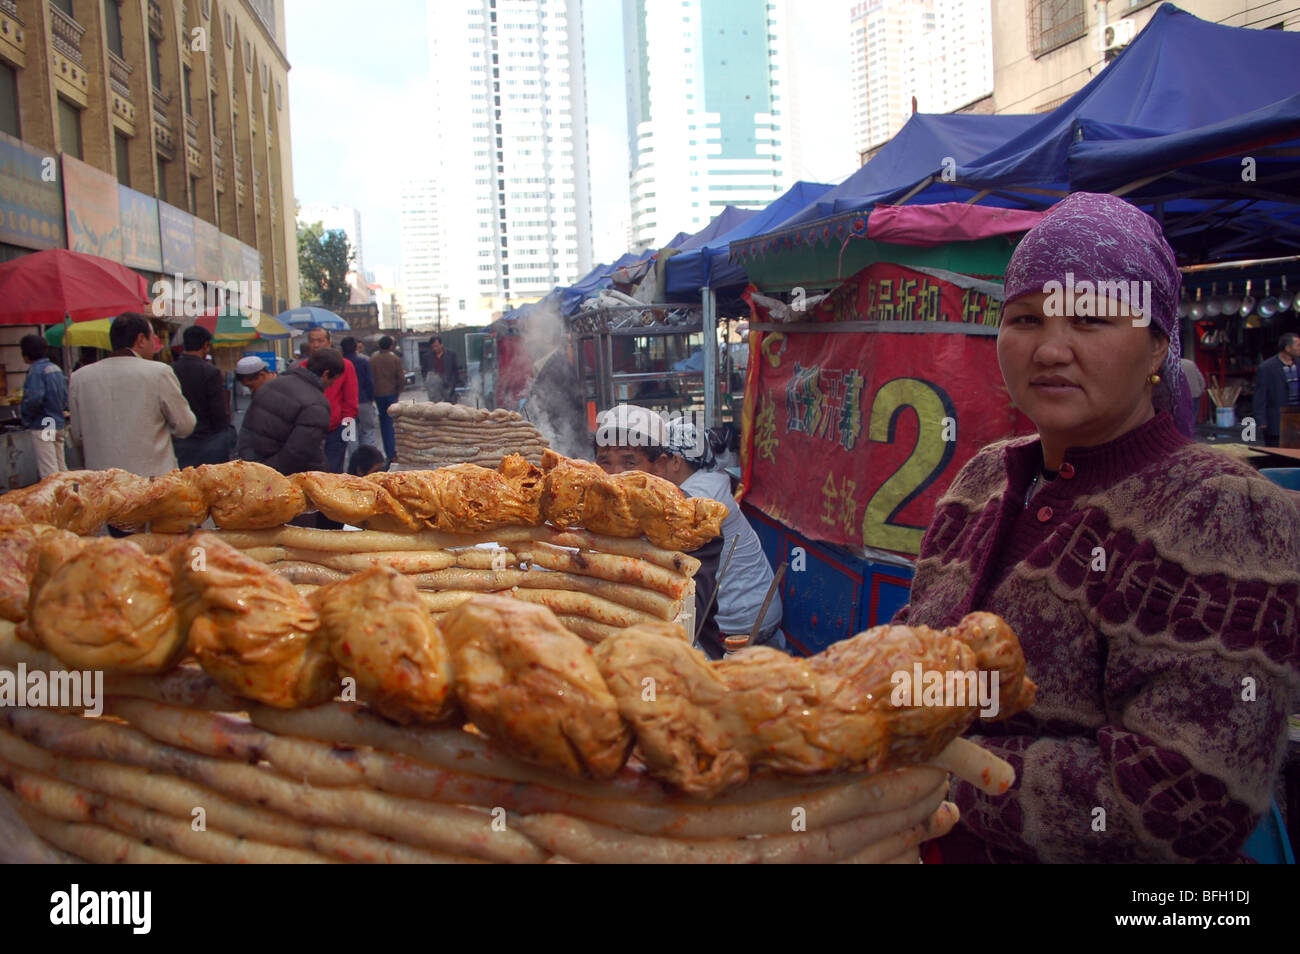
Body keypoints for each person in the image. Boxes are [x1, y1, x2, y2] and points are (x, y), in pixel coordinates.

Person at [895, 192, 1300, 863]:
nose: (1051, 348)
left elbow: (1180, 804)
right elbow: (916, 665)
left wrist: (925, 772)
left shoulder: (1224, 513)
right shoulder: (984, 480)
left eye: (1090, 319)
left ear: (1156, 347)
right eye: (1025, 318)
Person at [594, 404, 724, 657]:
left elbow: (684, 613)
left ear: (660, 466)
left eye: (629, 462)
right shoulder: (592, 515)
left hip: (681, 654)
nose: (614, 476)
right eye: (604, 462)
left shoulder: (690, 521)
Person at [657, 417, 786, 653]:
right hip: (763, 612)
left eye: (660, 461)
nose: (656, 468)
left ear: (676, 461)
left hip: (742, 623)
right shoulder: (711, 483)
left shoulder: (696, 497)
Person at [69, 313, 196, 477]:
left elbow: (77, 435)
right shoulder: (159, 372)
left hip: (102, 483)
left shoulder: (79, 377)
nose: (154, 342)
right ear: (141, 339)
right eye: (152, 337)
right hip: (152, 483)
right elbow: (184, 426)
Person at [236, 348, 342, 475]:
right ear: (326, 374)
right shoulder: (317, 405)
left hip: (255, 467)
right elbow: (298, 453)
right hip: (282, 477)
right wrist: (269, 475)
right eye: (333, 379)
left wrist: (253, 466)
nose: (332, 384)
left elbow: (246, 432)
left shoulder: (270, 385)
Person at [171, 324, 233, 468]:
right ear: (206, 345)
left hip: (180, 441)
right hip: (208, 440)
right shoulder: (210, 372)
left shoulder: (170, 370)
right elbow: (218, 411)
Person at [525, 324, 588, 459]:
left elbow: (566, 420)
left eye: (531, 334)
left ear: (547, 337)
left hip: (564, 453)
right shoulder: (549, 365)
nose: (528, 340)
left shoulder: (558, 368)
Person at [305, 325, 358, 472]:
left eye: (320, 340)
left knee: (333, 470)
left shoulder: (345, 366)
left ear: (329, 342)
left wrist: (346, 431)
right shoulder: (303, 367)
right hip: (308, 428)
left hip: (336, 428)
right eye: (312, 341)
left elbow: (351, 401)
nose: (316, 345)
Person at [18, 334, 69, 479]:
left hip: (44, 423)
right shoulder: (56, 369)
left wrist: (26, 418)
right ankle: (69, 496)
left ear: (26, 355)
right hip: (58, 422)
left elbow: (34, 399)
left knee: (49, 472)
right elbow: (65, 397)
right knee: (61, 467)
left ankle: (54, 500)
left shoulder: (35, 371)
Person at [1252, 332, 1300, 443]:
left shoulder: (1298, 364)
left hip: (1297, 416)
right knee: (1276, 452)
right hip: (1277, 418)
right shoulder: (1267, 368)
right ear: (1288, 348)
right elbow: (1260, 394)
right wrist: (1261, 419)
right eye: (1298, 345)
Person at [341, 336, 379, 455]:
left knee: (350, 436)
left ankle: (354, 463)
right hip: (363, 402)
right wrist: (370, 399)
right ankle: (369, 460)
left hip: (345, 405)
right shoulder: (363, 361)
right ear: (356, 347)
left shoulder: (339, 364)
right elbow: (370, 382)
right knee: (368, 431)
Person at [370, 335, 404, 461]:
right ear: (391, 346)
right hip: (392, 394)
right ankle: (393, 452)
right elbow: (400, 377)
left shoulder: (373, 360)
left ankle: (388, 451)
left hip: (378, 394)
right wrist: (399, 390)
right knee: (392, 422)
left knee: (383, 422)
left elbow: (370, 378)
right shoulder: (395, 359)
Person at [420, 334, 459, 403]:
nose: (435, 348)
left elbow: (455, 371)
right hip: (434, 389)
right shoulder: (427, 357)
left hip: (448, 387)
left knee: (449, 408)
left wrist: (453, 384)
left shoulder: (451, 355)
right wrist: (428, 382)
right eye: (433, 347)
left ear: (441, 344)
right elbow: (424, 371)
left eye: (436, 346)